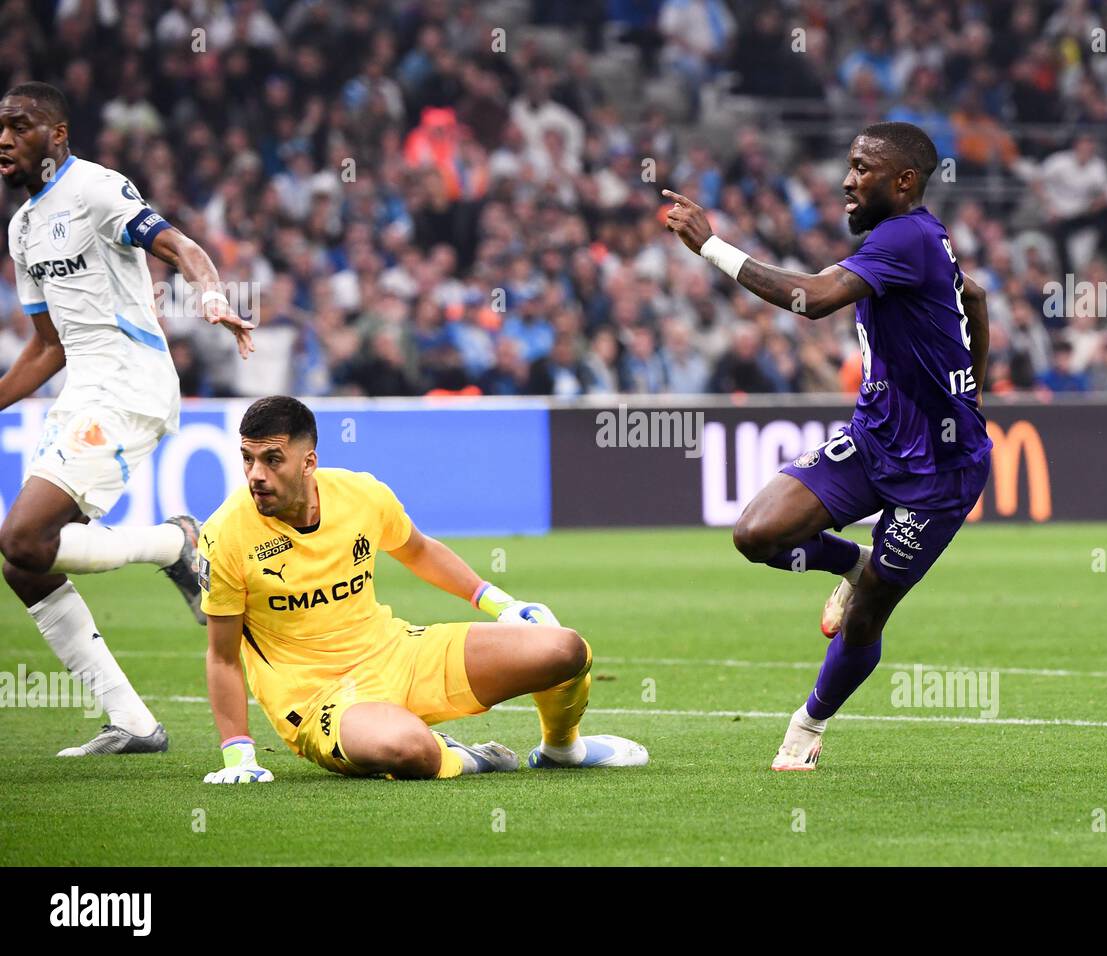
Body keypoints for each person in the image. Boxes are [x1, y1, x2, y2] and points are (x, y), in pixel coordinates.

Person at [662, 121, 991, 771]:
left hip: (939, 472)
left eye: (863, 168)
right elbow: (974, 297)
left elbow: (810, 301)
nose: (847, 179)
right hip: (874, 438)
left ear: (902, 182)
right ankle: (849, 560)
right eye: (849, 164)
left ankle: (807, 726)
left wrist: (712, 248)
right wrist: (974, 385)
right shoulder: (916, 238)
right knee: (756, 535)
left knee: (866, 617)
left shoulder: (905, 235)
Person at [199, 396, 648, 782]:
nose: (256, 474)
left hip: (398, 652)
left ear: (308, 462)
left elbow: (418, 550)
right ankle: (461, 756)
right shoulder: (226, 533)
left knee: (563, 649)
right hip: (320, 701)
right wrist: (239, 753)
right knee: (406, 749)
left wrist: (502, 604)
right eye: (247, 458)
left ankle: (562, 750)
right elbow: (222, 655)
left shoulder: (361, 494)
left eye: (272, 459)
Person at [0, 82, 254, 756]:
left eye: (18, 125)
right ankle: (134, 723)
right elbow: (46, 347)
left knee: (21, 535)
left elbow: (179, 246)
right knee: (24, 565)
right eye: (0, 126)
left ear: (56, 134)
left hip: (130, 382)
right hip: (82, 390)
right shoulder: (22, 228)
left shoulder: (96, 189)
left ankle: (176, 544)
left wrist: (211, 297)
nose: (2, 139)